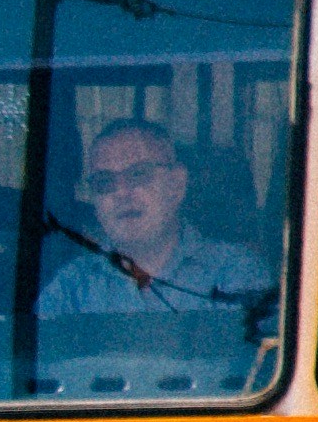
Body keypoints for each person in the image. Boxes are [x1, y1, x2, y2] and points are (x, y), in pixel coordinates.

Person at [37, 124, 270, 321]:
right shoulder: (71, 288)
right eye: (104, 182)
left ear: (177, 185)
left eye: (138, 175)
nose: (122, 193)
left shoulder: (235, 273)